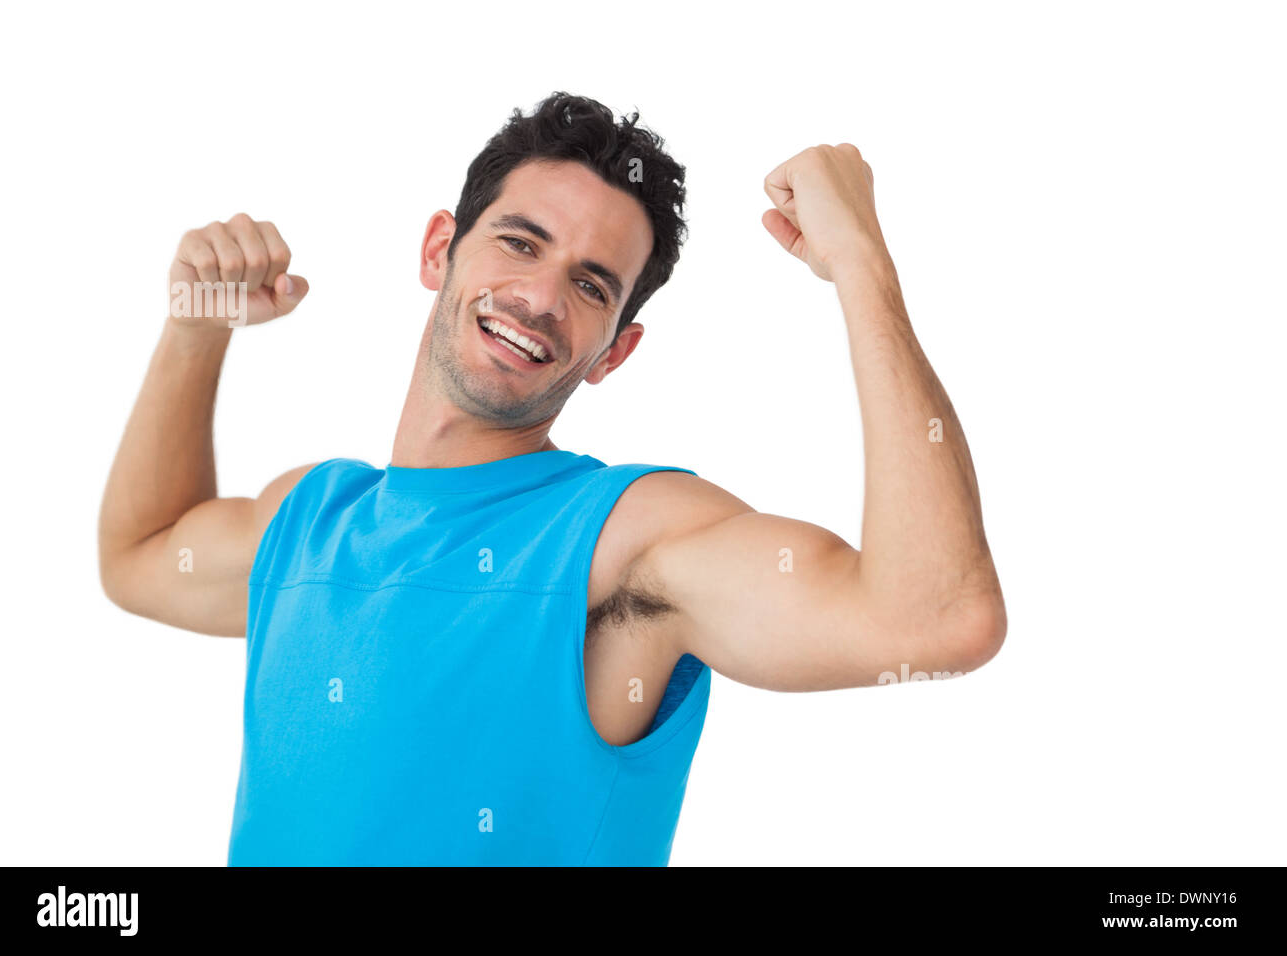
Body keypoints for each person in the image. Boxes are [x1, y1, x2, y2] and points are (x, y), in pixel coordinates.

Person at [97, 91, 1006, 865]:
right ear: (436, 249)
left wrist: (860, 267)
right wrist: (195, 326)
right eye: (521, 244)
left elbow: (935, 619)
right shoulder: (312, 514)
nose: (539, 298)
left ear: (616, 351)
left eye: (592, 286)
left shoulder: (624, 543)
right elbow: (139, 556)